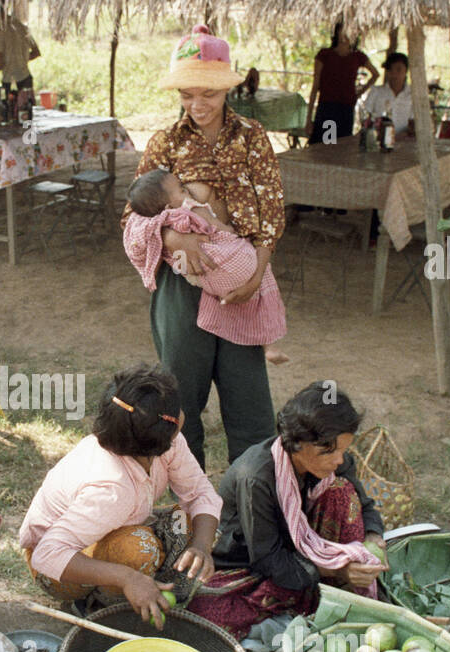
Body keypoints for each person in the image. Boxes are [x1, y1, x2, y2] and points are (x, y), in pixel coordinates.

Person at [120, 24, 284, 469]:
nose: (198, 105)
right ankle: (187, 510)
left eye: (208, 94)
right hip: (182, 292)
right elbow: (132, 218)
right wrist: (176, 237)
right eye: (188, 94)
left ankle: (249, 513)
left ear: (227, 89)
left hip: (240, 284)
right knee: (179, 404)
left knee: (249, 407)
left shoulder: (252, 138)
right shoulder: (165, 143)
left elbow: (271, 216)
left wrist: (254, 276)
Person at [19, 364, 221, 626]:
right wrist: (128, 578)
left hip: (102, 529)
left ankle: (146, 589)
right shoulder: (111, 488)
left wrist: (201, 546)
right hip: (59, 570)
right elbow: (47, 555)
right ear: (168, 427)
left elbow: (200, 493)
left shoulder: (165, 442)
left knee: (193, 524)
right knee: (138, 549)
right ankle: (102, 608)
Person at [187, 381, 386, 640]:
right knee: (204, 612)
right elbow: (268, 560)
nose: (339, 459)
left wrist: (373, 539)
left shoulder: (336, 463)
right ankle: (323, 596)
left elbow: (365, 506)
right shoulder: (257, 477)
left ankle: (327, 595)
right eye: (330, 450)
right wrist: (338, 569)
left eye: (343, 449)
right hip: (251, 562)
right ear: (299, 444)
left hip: (305, 554)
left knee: (342, 492)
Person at [124, 168, 288, 365]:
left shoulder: (159, 222)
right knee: (260, 285)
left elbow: (134, 225)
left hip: (204, 277)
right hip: (236, 263)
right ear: (169, 204)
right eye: (181, 189)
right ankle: (269, 345)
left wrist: (168, 236)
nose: (186, 191)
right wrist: (232, 232)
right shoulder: (191, 208)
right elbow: (219, 227)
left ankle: (263, 342)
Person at [305, 21, 379, 144]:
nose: (346, 35)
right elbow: (315, 86)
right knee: (325, 146)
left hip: (346, 108)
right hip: (328, 107)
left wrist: (359, 92)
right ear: (337, 33)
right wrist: (308, 119)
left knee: (343, 147)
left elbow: (375, 74)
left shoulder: (358, 56)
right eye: (343, 31)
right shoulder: (325, 55)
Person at [0, 0, 39, 93]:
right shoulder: (22, 27)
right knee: (26, 106)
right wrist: (21, 59)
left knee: (10, 106)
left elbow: (0, 60)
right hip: (25, 77)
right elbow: (36, 52)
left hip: (9, 80)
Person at [357, 51, 415, 137]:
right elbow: (365, 118)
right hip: (377, 141)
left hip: (404, 141)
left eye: (398, 69)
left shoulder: (413, 95)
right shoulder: (376, 92)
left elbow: (414, 123)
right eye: (391, 70)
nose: (394, 74)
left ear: (406, 71)